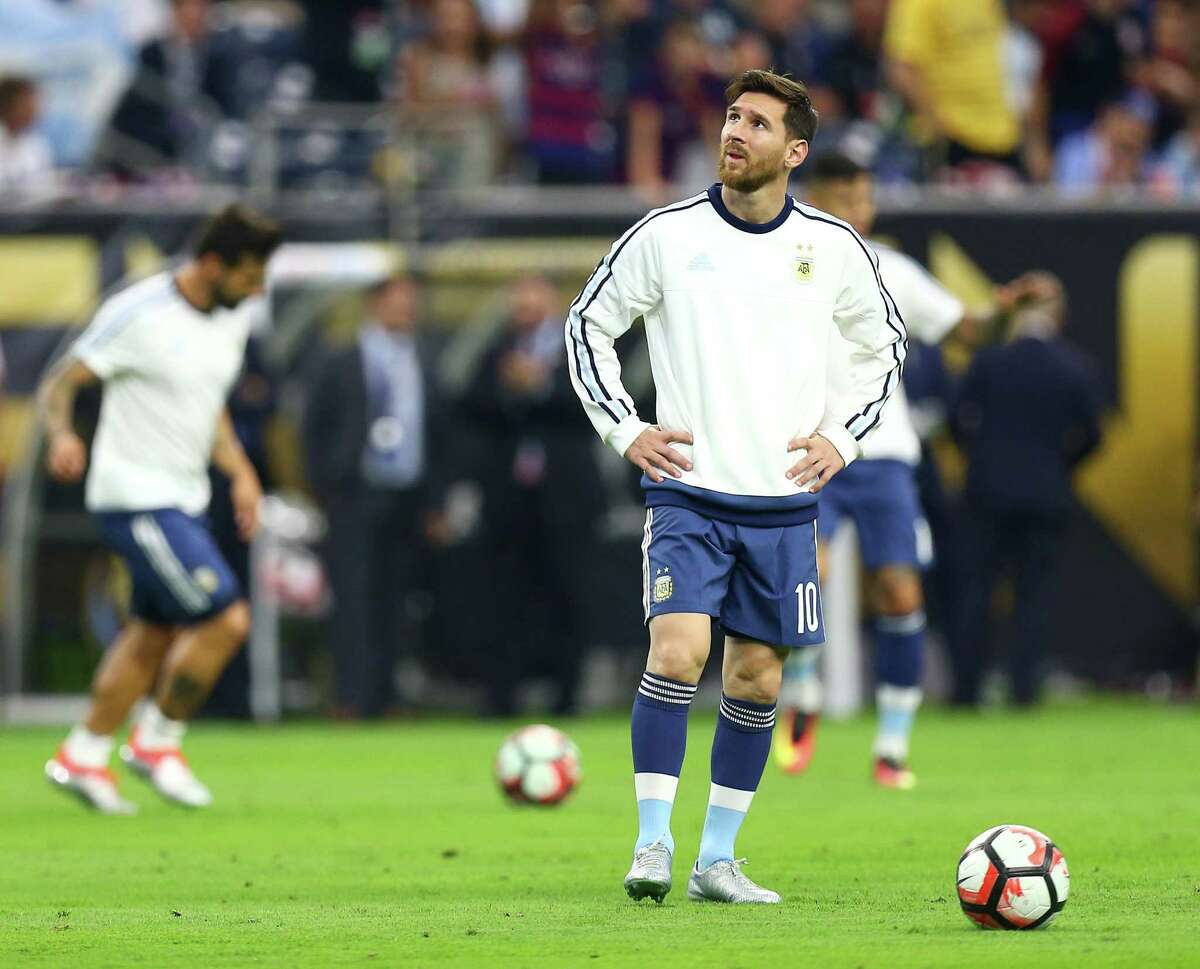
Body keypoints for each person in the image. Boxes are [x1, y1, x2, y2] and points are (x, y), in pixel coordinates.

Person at [567, 69, 905, 904]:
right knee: (679, 652)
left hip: (785, 505)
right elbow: (587, 325)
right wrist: (626, 427)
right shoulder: (668, 235)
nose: (735, 132)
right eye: (730, 116)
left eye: (756, 123)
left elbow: (884, 347)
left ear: (793, 151)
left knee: (758, 678)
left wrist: (841, 438)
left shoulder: (830, 248)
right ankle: (652, 842)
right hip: (689, 493)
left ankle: (717, 858)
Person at [774, 152, 1015, 789]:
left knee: (900, 593)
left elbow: (968, 330)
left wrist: (1005, 312)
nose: (858, 211)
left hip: (883, 455)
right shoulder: (776, 261)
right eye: (845, 199)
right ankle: (802, 693)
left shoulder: (892, 269)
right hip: (806, 452)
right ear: (815, 200)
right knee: (808, 576)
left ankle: (891, 746)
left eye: (865, 199)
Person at [38, 204, 281, 814]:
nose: (259, 288)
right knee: (226, 619)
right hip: (136, 497)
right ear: (211, 264)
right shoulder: (138, 312)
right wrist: (62, 435)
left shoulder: (231, 318)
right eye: (250, 274)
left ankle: (84, 755)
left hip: (185, 495)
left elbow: (208, 405)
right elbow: (61, 381)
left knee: (152, 634)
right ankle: (157, 743)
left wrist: (242, 472)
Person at [950, 273, 1102, 707]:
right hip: (1046, 496)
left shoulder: (988, 362)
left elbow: (956, 417)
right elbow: (1093, 435)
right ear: (1060, 317)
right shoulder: (1075, 367)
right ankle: (1023, 690)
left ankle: (966, 691)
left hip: (987, 493)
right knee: (1032, 596)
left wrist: (980, 458)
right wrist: (1061, 466)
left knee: (977, 591)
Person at [460, 275, 605, 716]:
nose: (524, 312)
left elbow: (597, 408)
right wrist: (510, 389)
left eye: (533, 303)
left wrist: (539, 386)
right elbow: (470, 405)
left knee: (569, 598)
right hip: (510, 501)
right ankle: (501, 698)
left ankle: (567, 698)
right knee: (504, 599)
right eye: (518, 304)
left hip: (567, 501)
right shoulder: (496, 353)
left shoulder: (580, 351)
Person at [303, 274, 445, 719]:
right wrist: (325, 488)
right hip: (355, 492)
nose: (408, 309)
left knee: (397, 599)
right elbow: (314, 428)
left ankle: (388, 697)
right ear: (375, 303)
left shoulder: (425, 358)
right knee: (353, 597)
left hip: (408, 493)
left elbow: (440, 433)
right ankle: (351, 697)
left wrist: (435, 501)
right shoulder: (339, 359)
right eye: (399, 300)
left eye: (412, 300)